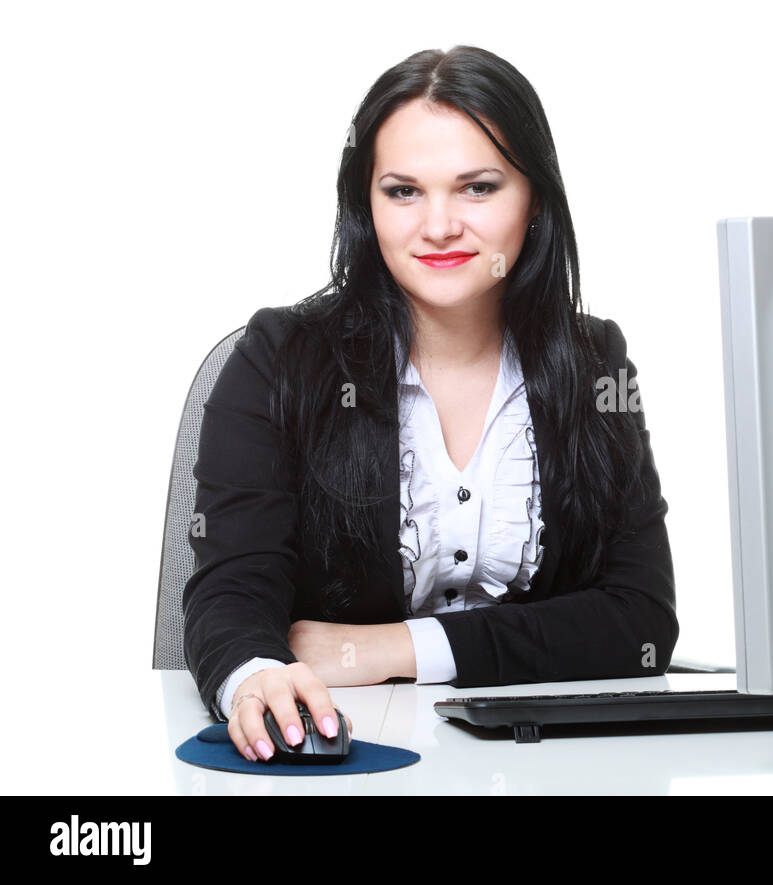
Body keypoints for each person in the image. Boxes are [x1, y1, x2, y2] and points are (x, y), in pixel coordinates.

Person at [183, 46, 677, 763]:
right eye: (403, 191)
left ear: (534, 197)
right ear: (366, 203)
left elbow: (641, 619)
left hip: (539, 766)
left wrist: (393, 648)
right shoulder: (277, 360)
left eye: (477, 188)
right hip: (353, 757)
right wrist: (257, 680)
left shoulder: (593, 363)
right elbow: (232, 588)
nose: (438, 226)